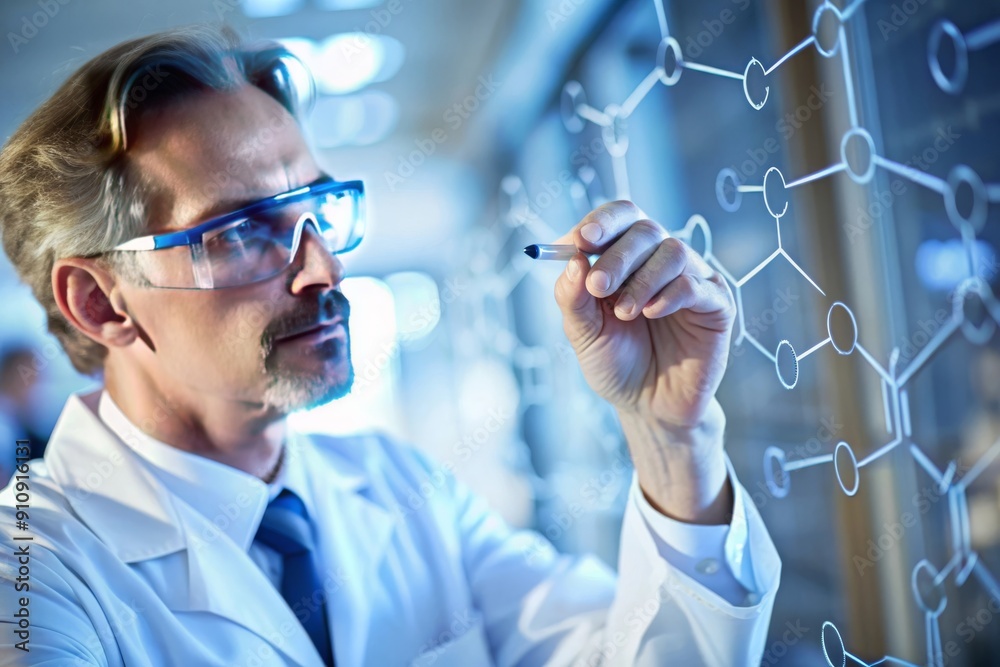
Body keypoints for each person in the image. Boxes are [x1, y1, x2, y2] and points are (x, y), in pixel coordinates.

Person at [0, 25, 779, 666]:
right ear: (101, 302)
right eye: (241, 231)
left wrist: (669, 436)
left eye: (317, 210)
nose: (324, 268)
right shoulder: (33, 575)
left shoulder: (405, 489)